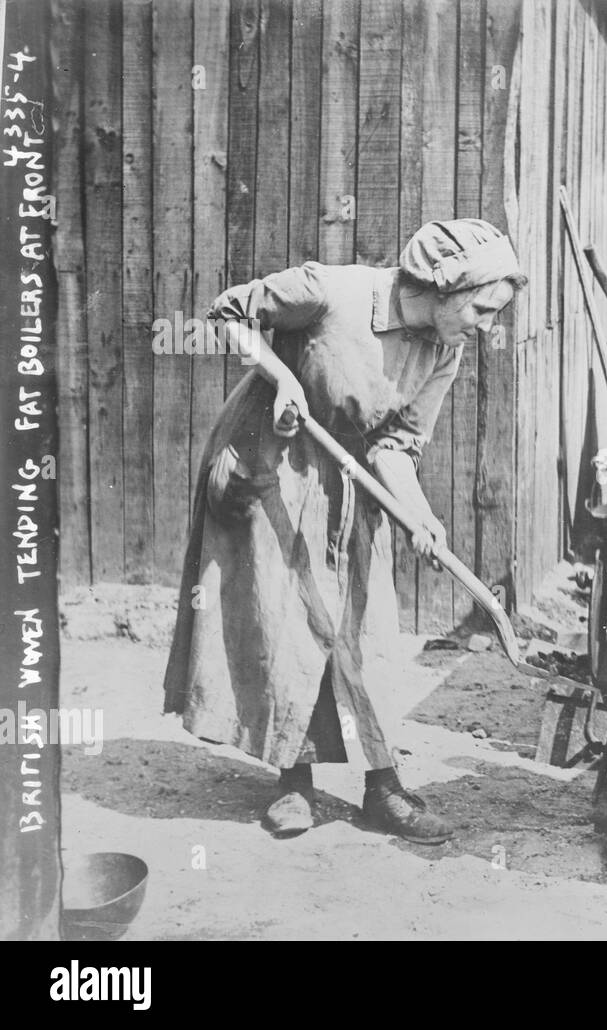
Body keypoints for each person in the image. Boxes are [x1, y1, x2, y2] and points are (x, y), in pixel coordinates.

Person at [163, 219, 525, 843]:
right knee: (288, 623)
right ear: (444, 287)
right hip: (268, 461)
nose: (487, 327)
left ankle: (384, 787)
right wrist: (282, 378)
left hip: (351, 470)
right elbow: (226, 316)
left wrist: (418, 513)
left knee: (363, 622)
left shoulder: (445, 347)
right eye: (484, 310)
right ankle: (293, 783)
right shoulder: (332, 292)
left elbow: (399, 443)